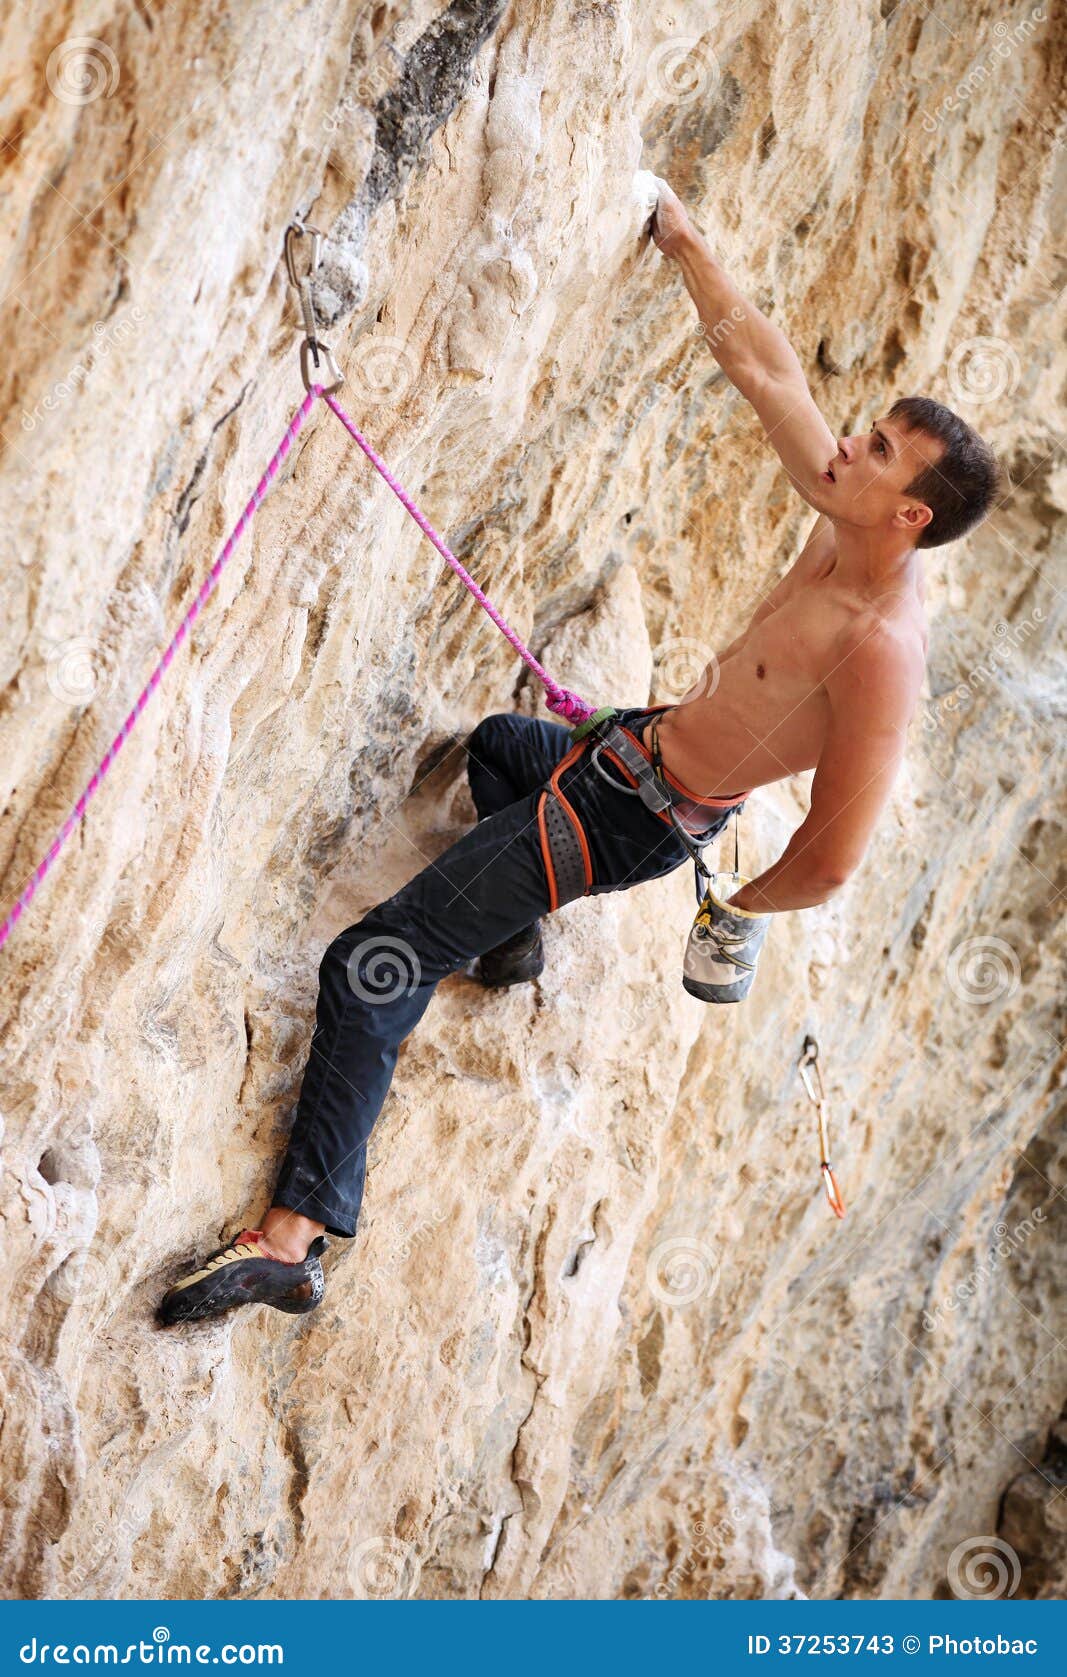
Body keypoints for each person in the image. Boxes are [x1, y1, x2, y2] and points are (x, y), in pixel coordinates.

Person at [158, 178, 1000, 1324]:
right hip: (626, 756)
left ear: (909, 514)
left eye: (879, 449)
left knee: (373, 959)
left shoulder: (878, 648)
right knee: (502, 746)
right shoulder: (840, 513)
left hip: (624, 820)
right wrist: (682, 238)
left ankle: (290, 1244)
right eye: (868, 430)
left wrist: (737, 909)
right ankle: (509, 946)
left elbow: (835, 850)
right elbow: (767, 372)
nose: (849, 443)